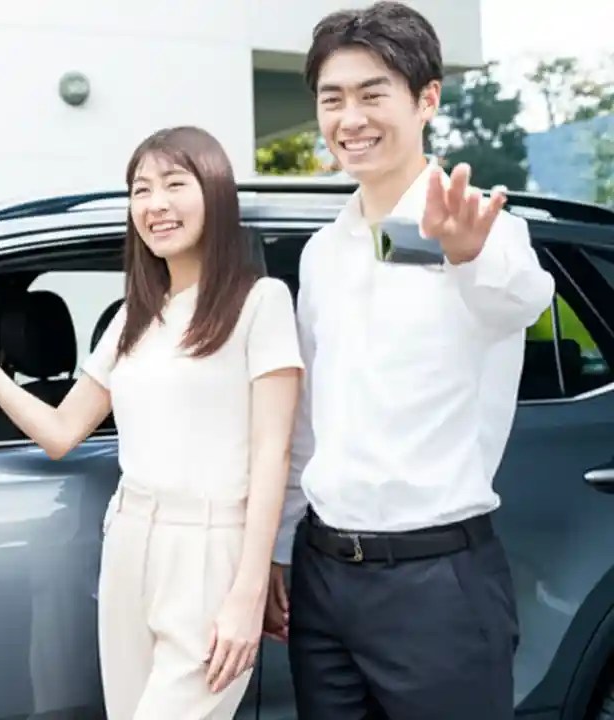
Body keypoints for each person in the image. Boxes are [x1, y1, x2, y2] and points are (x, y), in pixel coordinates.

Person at [0, 125, 304, 719]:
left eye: (176, 184)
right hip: (128, 539)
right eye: (141, 190)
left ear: (215, 196)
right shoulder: (134, 318)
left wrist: (248, 592)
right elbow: (59, 432)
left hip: (210, 548)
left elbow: (272, 452)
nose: (156, 205)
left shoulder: (261, 302)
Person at [262, 3, 557, 719]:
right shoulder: (322, 251)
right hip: (324, 575)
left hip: (437, 584)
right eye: (333, 99)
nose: (349, 118)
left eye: (373, 94)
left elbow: (523, 296)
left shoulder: (487, 228)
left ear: (427, 98)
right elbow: (308, 417)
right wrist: (280, 544)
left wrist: (466, 251)